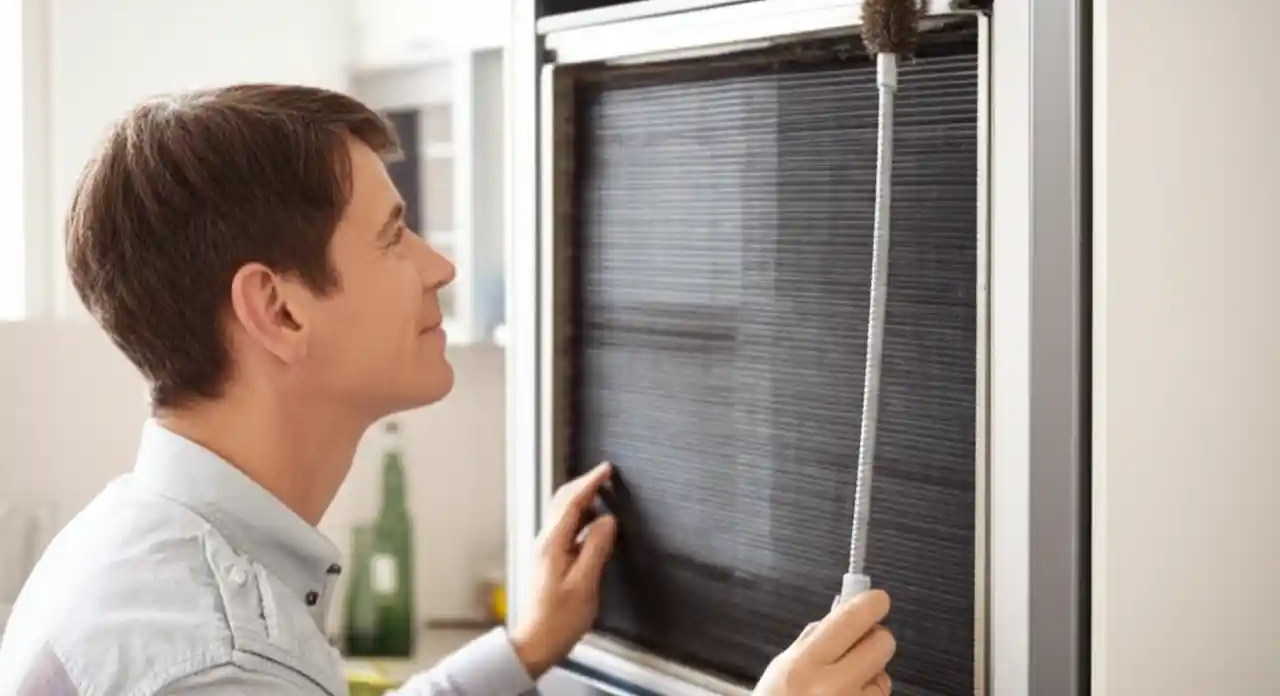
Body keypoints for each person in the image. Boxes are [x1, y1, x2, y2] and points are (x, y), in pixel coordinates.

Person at [0, 85, 896, 695]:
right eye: (394, 236)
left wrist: (522, 649)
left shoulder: (143, 549)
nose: (441, 265)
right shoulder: (208, 658)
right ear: (276, 308)